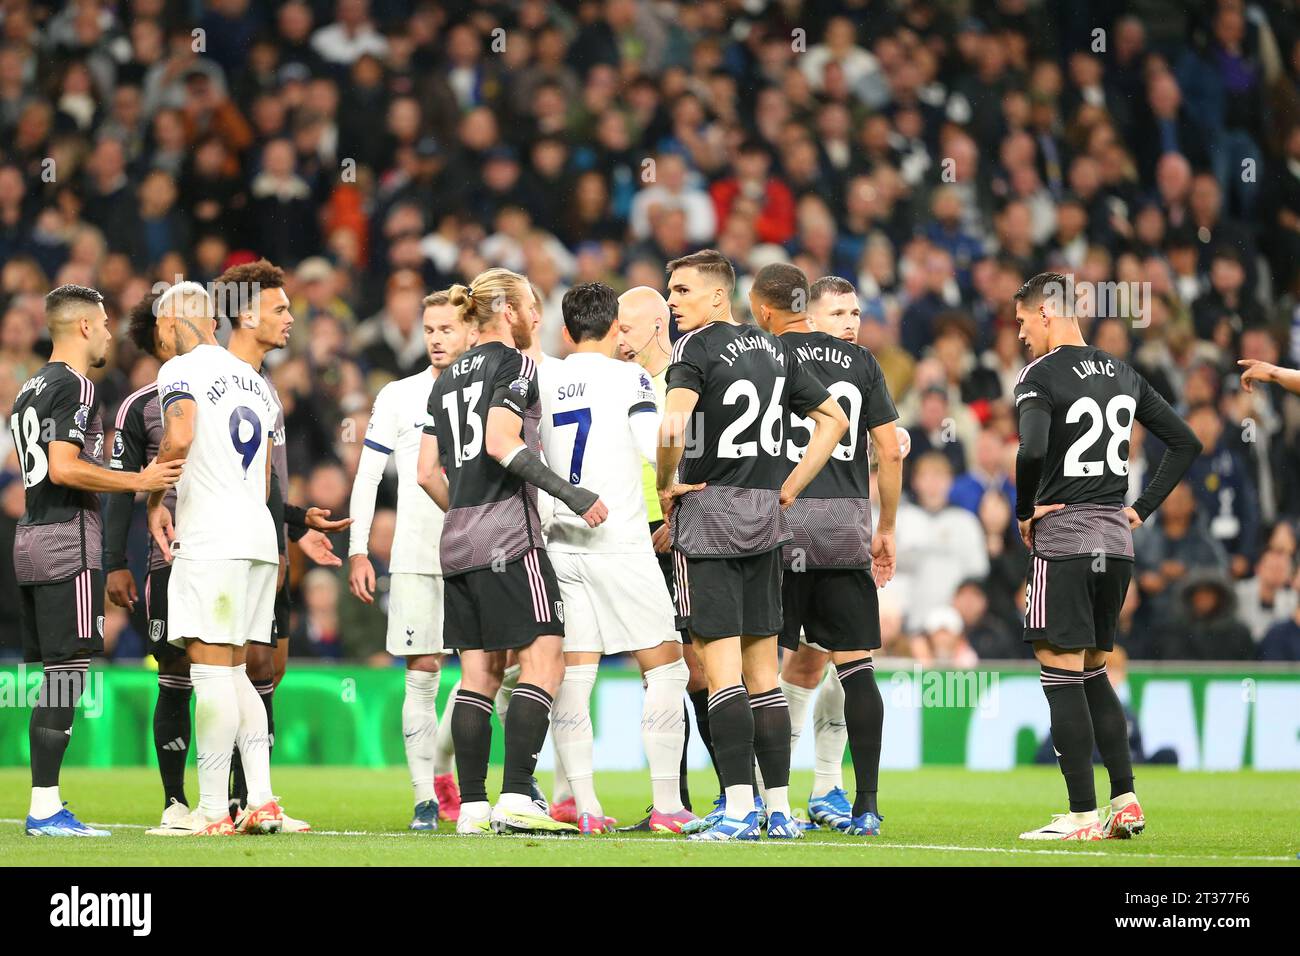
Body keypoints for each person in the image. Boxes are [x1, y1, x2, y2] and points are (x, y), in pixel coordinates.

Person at [655, 249, 847, 841]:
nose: (672, 301)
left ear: (718, 297)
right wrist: (788, 485)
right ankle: (781, 810)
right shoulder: (773, 349)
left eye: (682, 291)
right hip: (766, 519)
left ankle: (737, 808)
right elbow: (834, 420)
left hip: (710, 516)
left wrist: (665, 483)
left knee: (722, 676)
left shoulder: (695, 349)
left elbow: (670, 426)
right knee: (764, 675)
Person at [417, 267, 608, 835]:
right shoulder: (515, 363)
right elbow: (502, 442)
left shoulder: (444, 377)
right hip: (507, 535)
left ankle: (473, 807)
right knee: (546, 657)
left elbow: (427, 472)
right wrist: (572, 495)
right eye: (530, 305)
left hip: (457, 536)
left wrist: (467, 507)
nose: (536, 317)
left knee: (478, 675)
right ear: (507, 310)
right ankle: (519, 795)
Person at [1012, 271, 1200, 841]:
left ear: (1046, 313)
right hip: (1117, 544)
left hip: (1065, 537)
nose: (1020, 334)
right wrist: (1140, 509)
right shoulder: (1121, 370)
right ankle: (1125, 802)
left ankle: (1081, 814)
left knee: (1059, 673)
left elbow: (1034, 447)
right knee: (1095, 672)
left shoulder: (1039, 375)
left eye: (1022, 320)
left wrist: (1026, 510)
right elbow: (1186, 441)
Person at [16, 284, 182, 837]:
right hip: (68, 541)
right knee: (67, 676)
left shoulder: (29, 388)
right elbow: (64, 467)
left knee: (55, 677)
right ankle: (44, 807)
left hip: (32, 536)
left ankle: (45, 801)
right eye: (106, 322)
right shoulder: (78, 387)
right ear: (84, 326)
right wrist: (139, 480)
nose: (111, 331)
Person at [750, 267, 902, 838]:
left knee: (760, 670)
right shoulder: (863, 366)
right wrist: (885, 525)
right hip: (842, 527)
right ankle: (864, 804)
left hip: (776, 524)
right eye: (839, 313)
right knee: (855, 669)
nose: (852, 324)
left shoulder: (761, 353)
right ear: (809, 314)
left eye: (856, 313)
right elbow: (889, 451)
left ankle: (764, 799)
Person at [538, 282, 694, 834]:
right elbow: (659, 439)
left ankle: (582, 806)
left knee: (575, 676)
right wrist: (672, 481)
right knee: (668, 669)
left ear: (564, 331)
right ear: (612, 329)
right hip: (622, 540)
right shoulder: (631, 378)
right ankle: (668, 806)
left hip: (561, 541)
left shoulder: (547, 376)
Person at [142, 281, 284, 836]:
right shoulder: (256, 381)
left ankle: (209, 810)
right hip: (257, 534)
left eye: (158, 327)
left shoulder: (180, 370)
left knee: (208, 671)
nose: (158, 340)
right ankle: (263, 799)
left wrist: (155, 497)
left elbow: (178, 437)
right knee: (236, 674)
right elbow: (267, 473)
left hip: (214, 536)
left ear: (176, 318)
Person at [348, 290, 476, 829]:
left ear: (472, 330)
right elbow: (368, 475)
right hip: (419, 555)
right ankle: (425, 796)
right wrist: (357, 547)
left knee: (495, 671)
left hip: (482, 552)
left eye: (447, 328)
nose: (437, 339)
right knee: (423, 672)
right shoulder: (398, 395)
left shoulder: (494, 388)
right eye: (429, 329)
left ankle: (447, 763)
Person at [616, 284, 717, 817]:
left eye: (627, 329)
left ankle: (732, 795)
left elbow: (694, 461)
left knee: (697, 668)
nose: (619, 338)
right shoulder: (623, 381)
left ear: (657, 325)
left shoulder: (681, 380)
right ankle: (671, 802)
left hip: (672, 531)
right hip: (634, 536)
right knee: (656, 671)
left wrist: (675, 518)